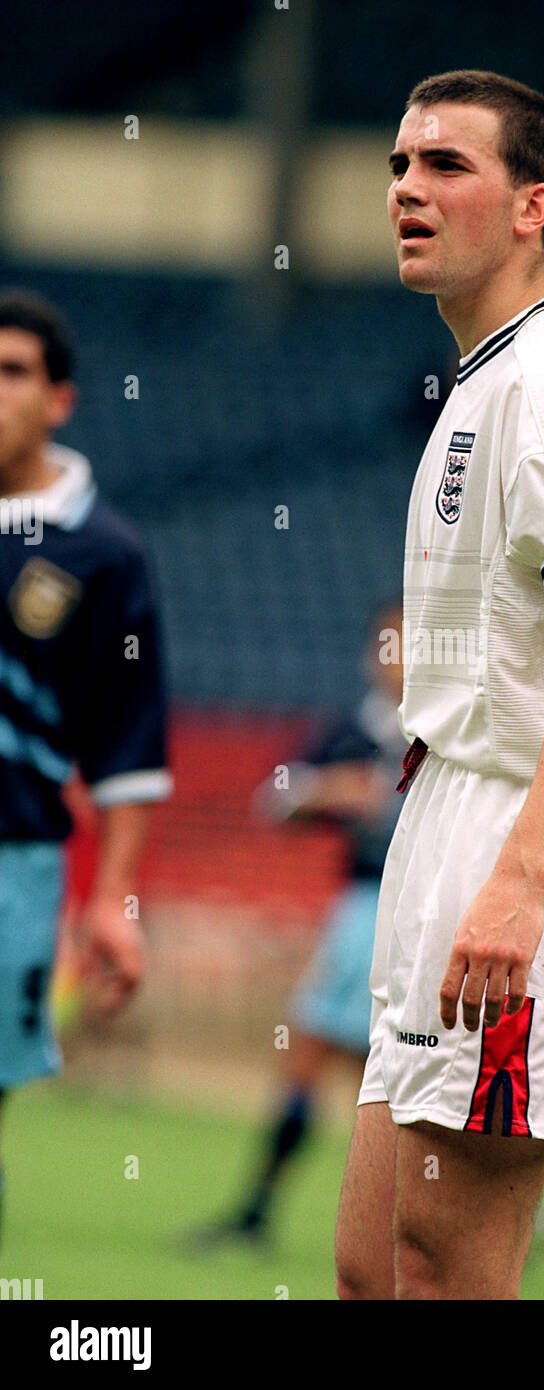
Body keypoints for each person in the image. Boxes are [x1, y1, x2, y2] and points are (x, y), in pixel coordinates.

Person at [334, 70, 544, 1301]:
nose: (407, 191)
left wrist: (520, 881)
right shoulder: (485, 375)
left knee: (443, 1269)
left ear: (532, 205)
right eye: (397, 166)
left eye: (445, 167)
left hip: (525, 834)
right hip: (452, 823)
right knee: (372, 1266)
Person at [0, 289, 171, 1239]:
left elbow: (127, 749)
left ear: (59, 400)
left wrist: (112, 898)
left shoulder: (102, 554)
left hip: (11, 866)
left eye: (13, 372)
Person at [183, 599, 407, 1249]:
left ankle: (256, 1213)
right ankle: (257, 1212)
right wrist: (327, 792)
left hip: (414, 916)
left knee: (370, 1071)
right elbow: (275, 796)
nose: (400, 659)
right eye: (390, 644)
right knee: (371, 1071)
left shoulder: (446, 731)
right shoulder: (357, 734)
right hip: (365, 910)